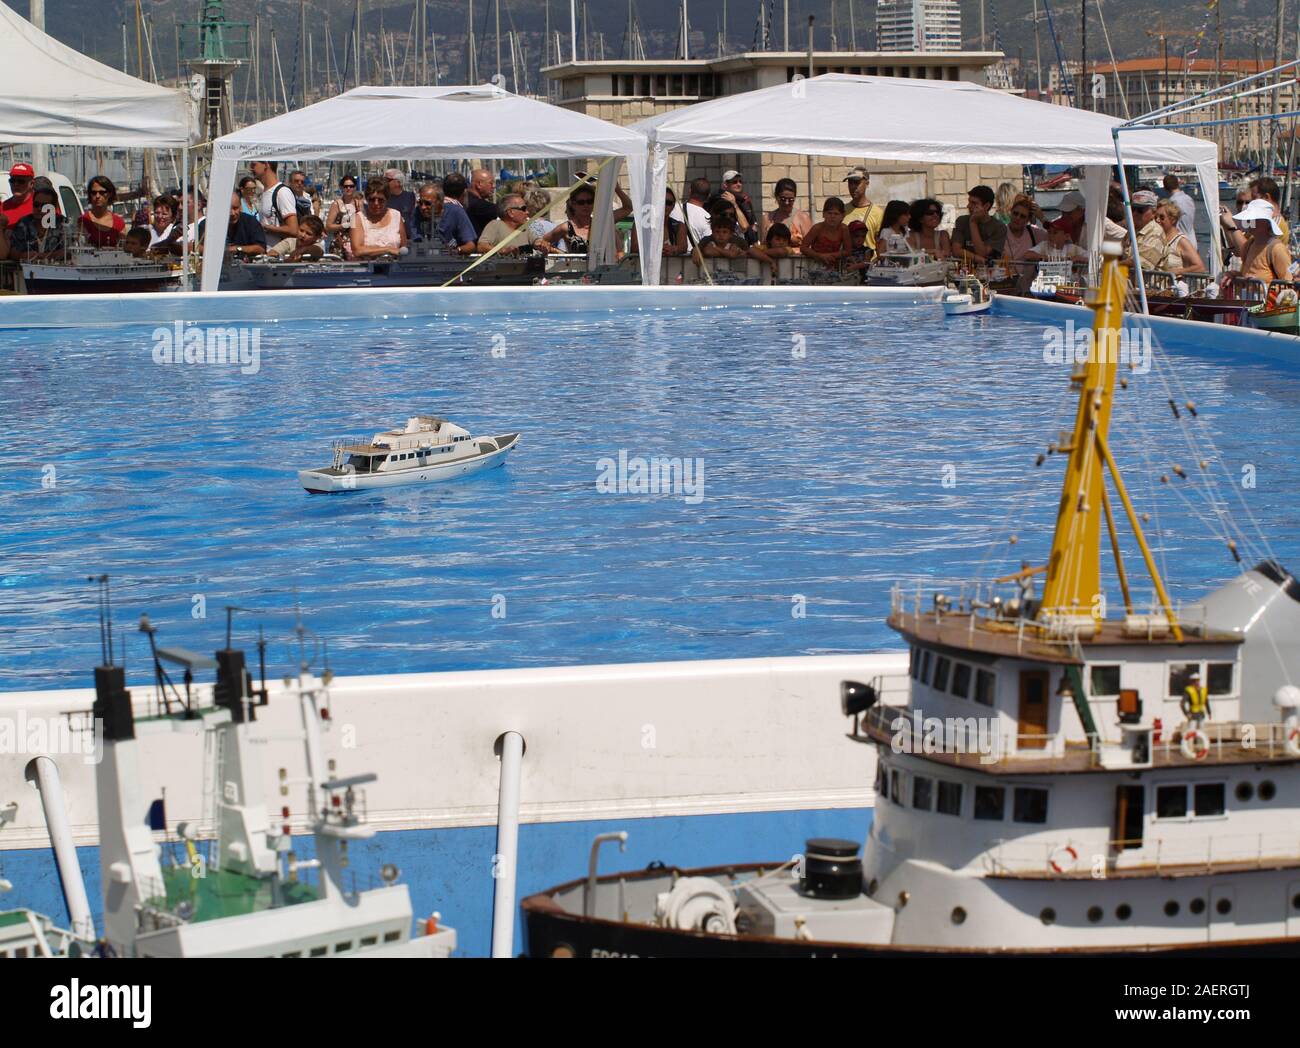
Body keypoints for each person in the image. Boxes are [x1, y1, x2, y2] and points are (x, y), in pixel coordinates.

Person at [1226, 198, 1292, 285]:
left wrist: (1262, 287)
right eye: (1249, 218)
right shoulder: (1248, 245)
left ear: (1267, 222)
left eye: (1255, 218)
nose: (1250, 221)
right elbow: (1246, 274)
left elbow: (1288, 283)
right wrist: (1235, 275)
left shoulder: (1277, 248)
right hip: (1247, 297)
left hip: (1267, 298)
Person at [1, 180, 70, 260]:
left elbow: (69, 251)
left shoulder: (62, 223)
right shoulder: (24, 223)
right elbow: (13, 251)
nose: (39, 208)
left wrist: (43, 256)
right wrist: (23, 255)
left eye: (44, 206)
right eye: (36, 205)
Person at [410, 182, 477, 254]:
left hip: (451, 259)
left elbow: (471, 246)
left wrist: (456, 251)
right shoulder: (417, 212)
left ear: (440, 202)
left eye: (427, 203)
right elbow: (416, 241)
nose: (423, 207)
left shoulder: (456, 212)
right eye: (420, 203)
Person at [195, 192, 268, 258]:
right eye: (227, 209)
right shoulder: (207, 225)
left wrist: (237, 249)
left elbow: (260, 248)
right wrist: (220, 251)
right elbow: (197, 247)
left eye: (235, 208)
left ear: (240, 207)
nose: (232, 213)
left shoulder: (251, 222)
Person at [351, 177, 407, 259]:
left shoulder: (397, 215)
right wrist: (388, 250)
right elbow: (357, 250)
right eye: (372, 199)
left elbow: (403, 248)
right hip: (368, 268)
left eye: (380, 200)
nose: (376, 203)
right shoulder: (356, 218)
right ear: (367, 199)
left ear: (387, 199)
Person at [950, 185, 1008, 261]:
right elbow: (956, 250)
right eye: (969, 202)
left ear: (986, 206)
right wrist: (977, 258)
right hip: (965, 270)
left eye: (974, 203)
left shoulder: (999, 227)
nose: (968, 206)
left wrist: (973, 223)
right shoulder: (962, 221)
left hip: (988, 271)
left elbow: (982, 252)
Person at [250, 159, 299, 241]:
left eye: (253, 165)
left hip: (278, 252)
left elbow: (293, 230)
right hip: (267, 252)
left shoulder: (282, 192)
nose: (251, 169)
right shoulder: (265, 192)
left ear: (266, 165)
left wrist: (264, 228)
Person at [630, 189, 689, 256]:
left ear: (673, 206)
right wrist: (660, 249)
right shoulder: (641, 224)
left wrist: (673, 249)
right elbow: (634, 248)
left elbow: (683, 247)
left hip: (671, 266)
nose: (664, 205)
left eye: (668, 203)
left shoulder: (679, 226)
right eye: (661, 202)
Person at [1154, 200, 1205, 273]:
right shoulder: (1157, 238)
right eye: (1155, 217)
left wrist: (1178, 272)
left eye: (1162, 217)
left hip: (1174, 283)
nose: (1157, 220)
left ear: (1173, 219)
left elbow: (1200, 267)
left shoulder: (1181, 241)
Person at [842, 167, 884, 255]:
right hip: (846, 264)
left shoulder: (878, 213)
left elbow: (881, 244)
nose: (853, 187)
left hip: (869, 265)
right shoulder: (842, 210)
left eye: (857, 183)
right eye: (850, 183)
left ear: (867, 183)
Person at [801, 197, 852, 268]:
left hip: (835, 268)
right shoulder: (817, 228)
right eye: (829, 213)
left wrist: (831, 256)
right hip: (816, 266)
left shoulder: (844, 229)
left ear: (842, 216)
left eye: (836, 214)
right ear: (823, 214)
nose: (832, 216)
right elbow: (803, 248)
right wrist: (819, 256)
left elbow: (848, 251)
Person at [709, 170, 757, 244]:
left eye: (740, 181)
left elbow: (752, 224)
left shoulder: (743, 201)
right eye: (734, 182)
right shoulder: (720, 201)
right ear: (725, 184)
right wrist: (734, 204)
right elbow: (744, 226)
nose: (739, 184)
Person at [762, 178, 812, 248]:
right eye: (783, 199)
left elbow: (809, 246)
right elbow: (763, 244)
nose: (787, 203)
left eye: (791, 200)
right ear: (776, 197)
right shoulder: (768, 218)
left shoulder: (803, 218)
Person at [80, 176, 125, 248]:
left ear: (110, 194)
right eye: (94, 193)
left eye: (102, 192)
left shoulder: (119, 222)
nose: (97, 196)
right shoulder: (83, 220)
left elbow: (124, 248)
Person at [1128, 190, 1167, 271]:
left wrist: (1113, 265)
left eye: (1140, 210)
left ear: (1153, 213)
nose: (1135, 213)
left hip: (1148, 283)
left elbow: (1140, 263)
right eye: (1133, 209)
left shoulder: (1156, 232)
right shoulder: (1133, 230)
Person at [324, 174, 362, 257]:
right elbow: (328, 226)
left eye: (351, 186)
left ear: (355, 187)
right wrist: (343, 226)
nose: (348, 188)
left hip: (355, 243)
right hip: (340, 244)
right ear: (341, 187)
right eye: (346, 186)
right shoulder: (336, 204)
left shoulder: (358, 204)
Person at [670, 178, 713, 246]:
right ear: (708, 196)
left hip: (672, 254)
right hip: (694, 255)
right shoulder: (708, 218)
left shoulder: (672, 208)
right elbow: (708, 244)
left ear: (689, 191)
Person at [0, 161, 36, 232]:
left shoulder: (41, 204)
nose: (16, 184)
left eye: (21, 181)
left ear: (31, 184)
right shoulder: (3, 207)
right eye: (12, 181)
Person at [465, 168, 500, 236]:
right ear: (479, 184)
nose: (494, 186)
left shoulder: (464, 199)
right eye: (491, 183)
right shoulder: (480, 205)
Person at [1162, 173, 1197, 241]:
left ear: (1165, 188)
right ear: (1178, 184)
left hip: (1179, 241)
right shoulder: (1188, 198)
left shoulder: (1171, 203)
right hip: (1192, 239)